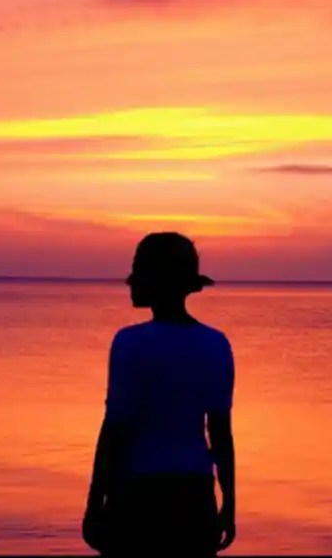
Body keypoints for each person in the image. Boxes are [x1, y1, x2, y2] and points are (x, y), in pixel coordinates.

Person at [82, 232, 236, 557]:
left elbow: (115, 430)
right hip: (194, 493)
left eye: (137, 273)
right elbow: (220, 435)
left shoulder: (129, 342)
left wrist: (95, 503)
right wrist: (229, 506)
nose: (130, 283)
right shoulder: (216, 344)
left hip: (137, 493)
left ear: (154, 280)